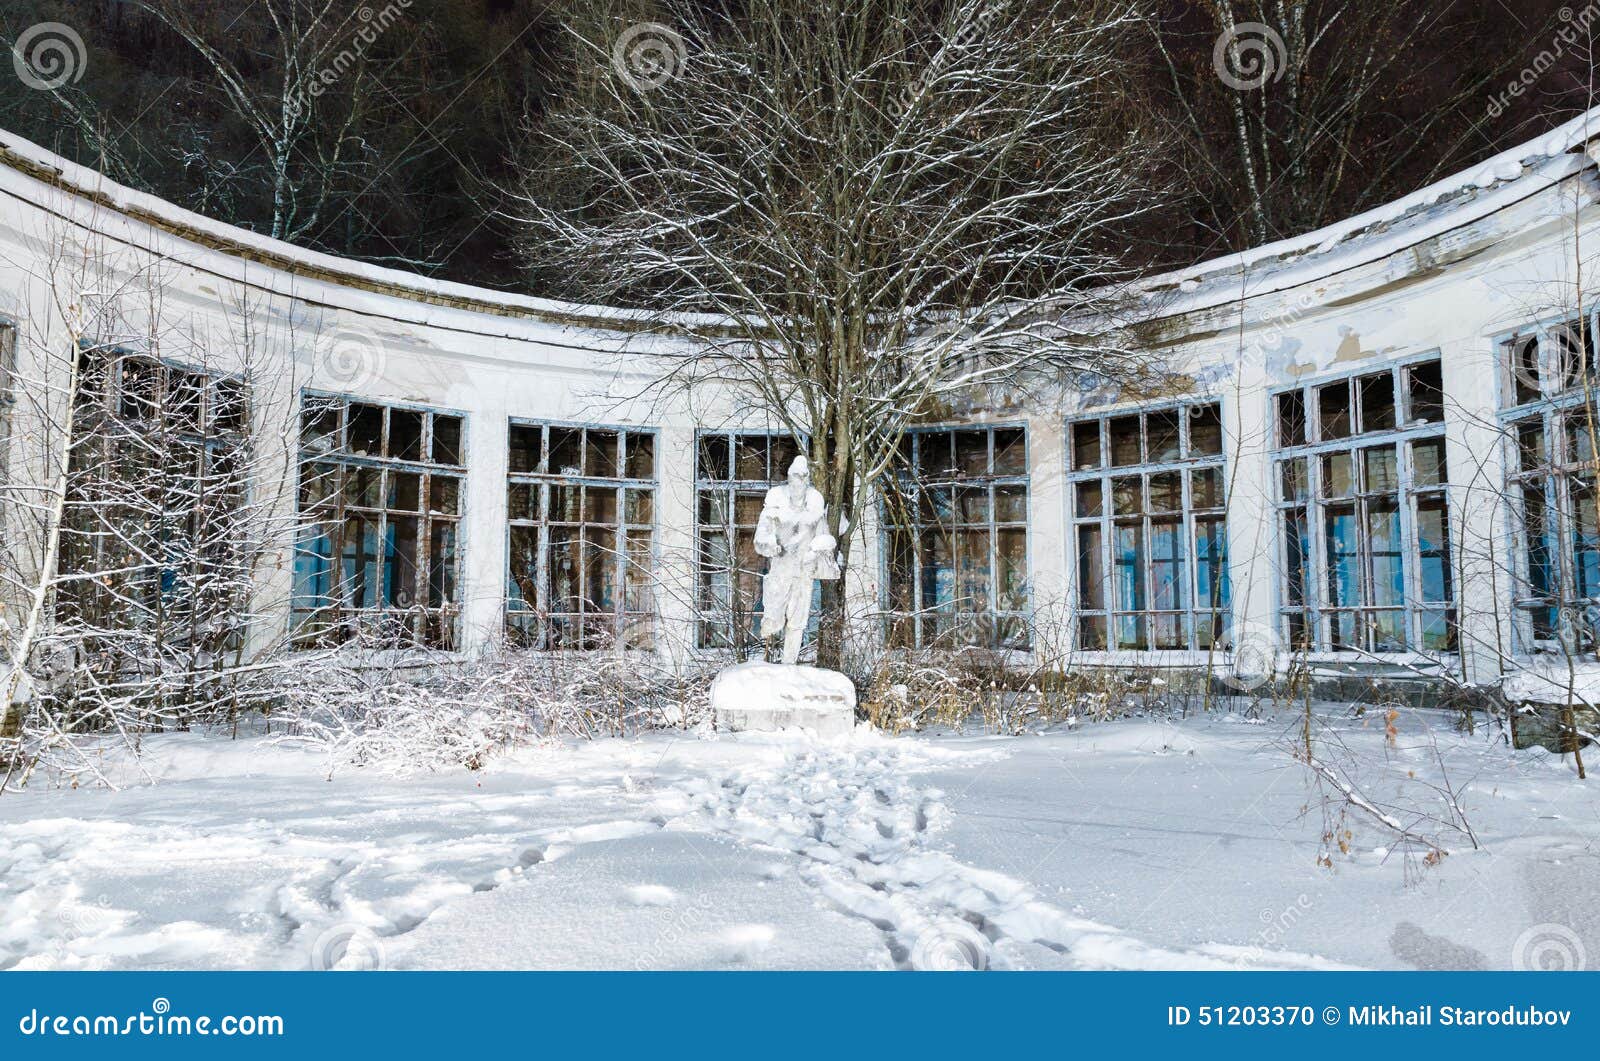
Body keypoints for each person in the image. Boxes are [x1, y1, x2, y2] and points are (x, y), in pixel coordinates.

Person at [753, 455, 838, 665]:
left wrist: (819, 548)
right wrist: (769, 544)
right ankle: (765, 661)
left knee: (798, 621)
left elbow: (825, 538)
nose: (796, 485)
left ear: (806, 481)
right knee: (773, 619)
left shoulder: (815, 509)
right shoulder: (775, 505)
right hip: (780, 571)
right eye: (793, 479)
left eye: (801, 479)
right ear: (789, 480)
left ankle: (788, 664)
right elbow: (760, 538)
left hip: (803, 572)